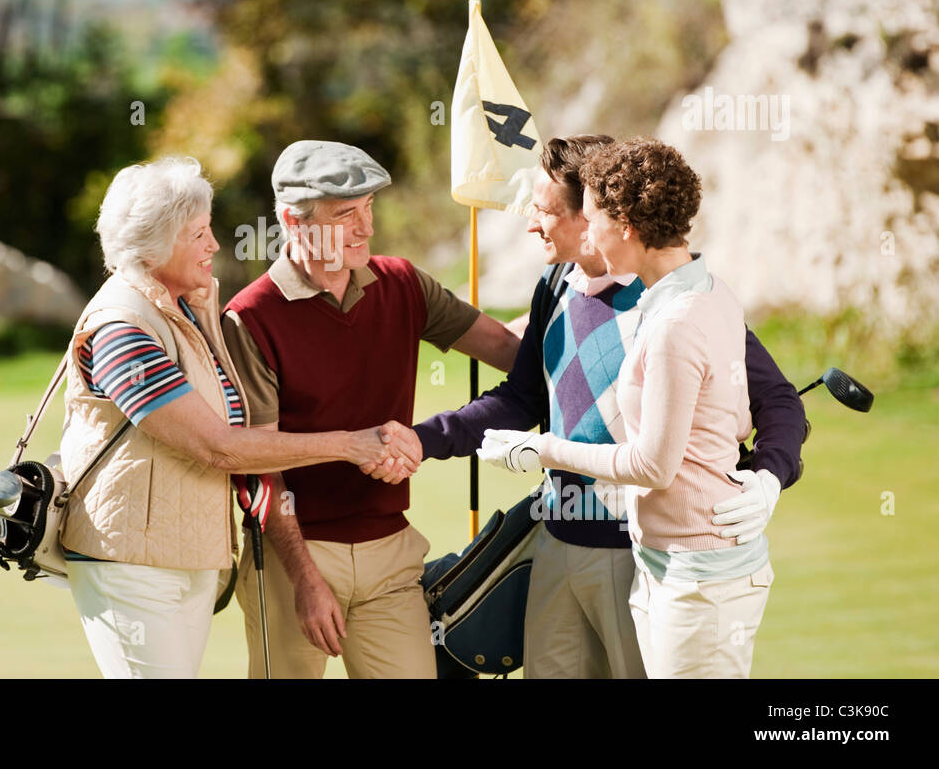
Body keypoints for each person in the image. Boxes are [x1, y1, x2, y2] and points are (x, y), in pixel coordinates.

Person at [416, 135, 806, 679]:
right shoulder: (555, 285)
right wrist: (420, 440)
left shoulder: (667, 300)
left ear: (593, 217)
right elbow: (521, 399)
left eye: (545, 211)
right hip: (556, 539)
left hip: (639, 553)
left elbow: (778, 400)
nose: (532, 224)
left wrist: (770, 475)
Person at [58, 156, 422, 680]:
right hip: (130, 564)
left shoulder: (183, 308)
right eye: (198, 234)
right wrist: (350, 444)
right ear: (157, 244)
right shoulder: (122, 325)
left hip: (189, 557)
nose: (213, 246)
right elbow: (218, 446)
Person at [220, 140, 522, 678]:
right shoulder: (251, 317)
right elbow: (259, 463)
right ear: (294, 220)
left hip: (391, 554)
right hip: (296, 557)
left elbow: (505, 350)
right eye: (345, 215)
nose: (366, 228)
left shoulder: (403, 283)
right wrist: (306, 578)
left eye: (368, 210)